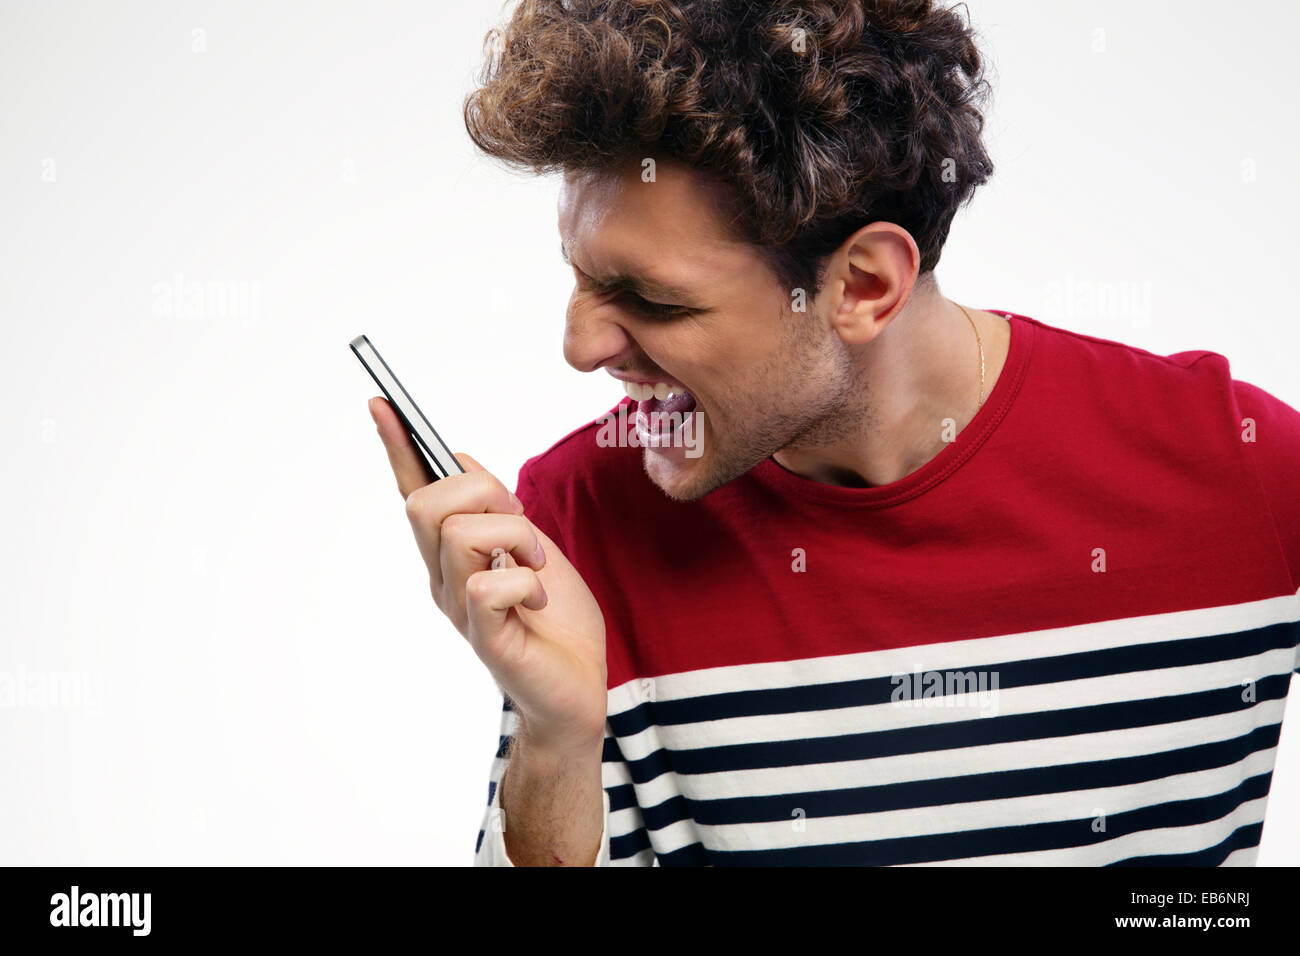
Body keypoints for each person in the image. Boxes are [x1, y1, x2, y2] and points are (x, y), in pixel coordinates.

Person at [368, 0, 1300, 865]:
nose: (581, 347)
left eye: (651, 298)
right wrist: (556, 738)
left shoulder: (1248, 469)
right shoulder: (580, 518)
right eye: (580, 273)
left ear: (862, 286)